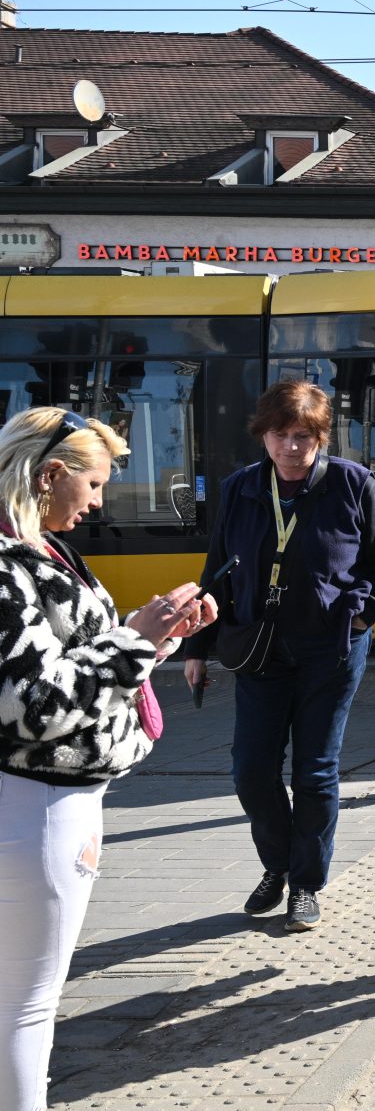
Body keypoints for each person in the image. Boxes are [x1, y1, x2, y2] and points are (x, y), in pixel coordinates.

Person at [0, 407, 215, 1109]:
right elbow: (31, 704)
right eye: (91, 485)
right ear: (49, 475)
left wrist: (154, 639)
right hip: (35, 805)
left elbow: (71, 661)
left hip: (51, 803)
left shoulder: (37, 550)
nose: (96, 502)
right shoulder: (8, 564)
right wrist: (131, 645)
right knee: (25, 1010)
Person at [181, 381, 375, 934]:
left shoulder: (352, 485)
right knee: (251, 769)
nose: (290, 447)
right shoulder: (240, 489)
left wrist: (359, 616)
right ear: (264, 435)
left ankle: (306, 884)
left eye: (302, 436)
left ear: (320, 437)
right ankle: (277, 864)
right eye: (280, 435)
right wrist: (198, 646)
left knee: (313, 770)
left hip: (328, 651)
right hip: (259, 647)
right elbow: (217, 570)